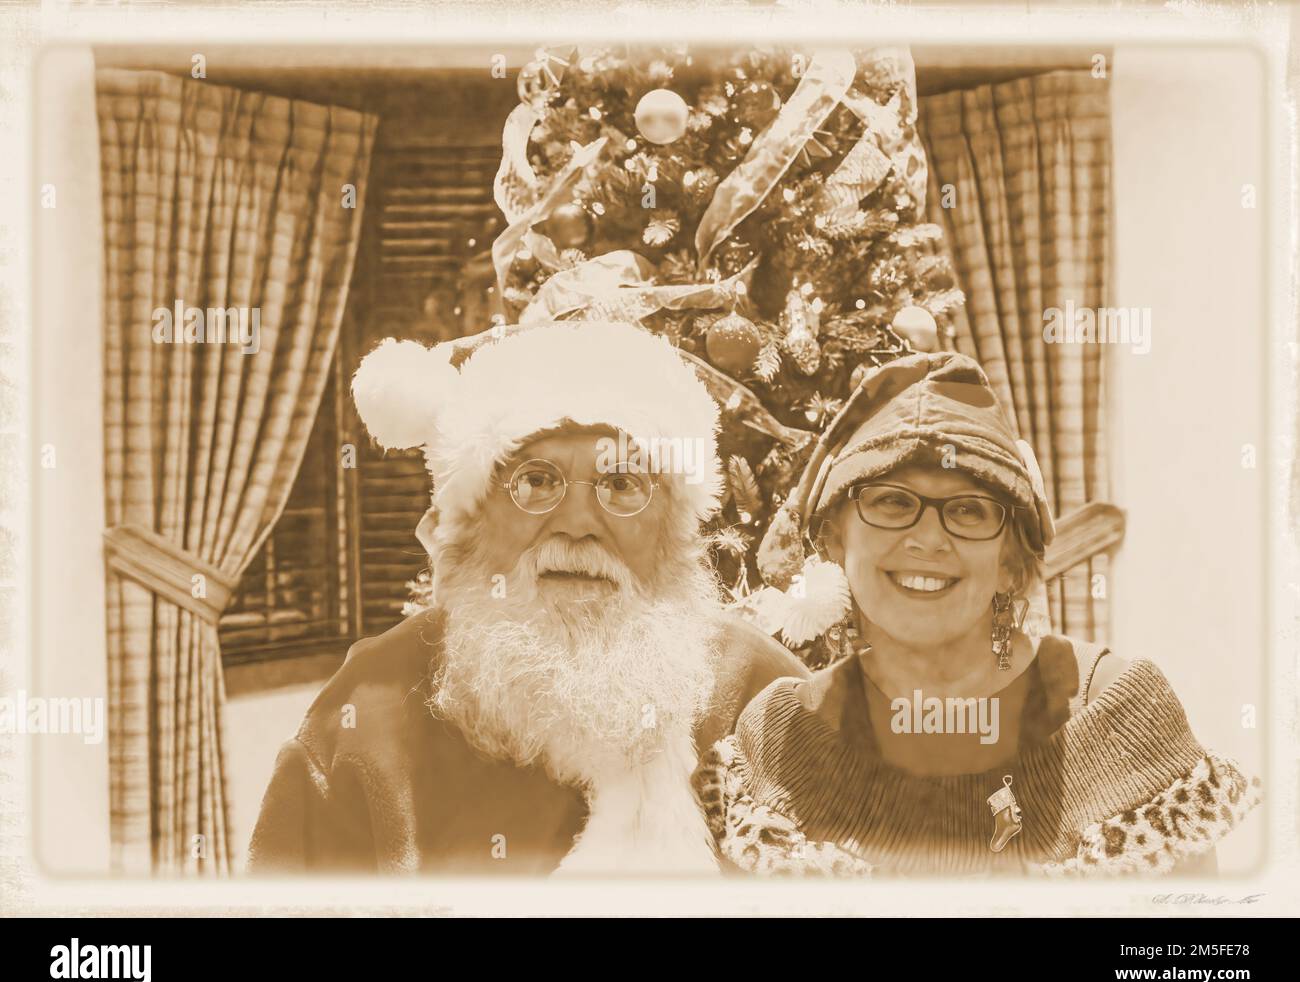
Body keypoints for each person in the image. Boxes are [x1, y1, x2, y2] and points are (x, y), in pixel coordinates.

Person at [247, 321, 807, 875]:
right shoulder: (366, 713)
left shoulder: (764, 691)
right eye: (536, 482)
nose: (579, 524)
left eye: (622, 485)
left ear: (673, 528)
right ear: (474, 518)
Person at [695, 351, 1261, 877]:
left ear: (1013, 561)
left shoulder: (1112, 711)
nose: (927, 538)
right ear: (835, 538)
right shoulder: (776, 737)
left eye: (968, 510)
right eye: (892, 500)